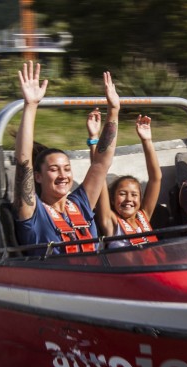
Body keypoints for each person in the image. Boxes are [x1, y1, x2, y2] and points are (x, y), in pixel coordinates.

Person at [12, 61, 120, 254]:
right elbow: (24, 162)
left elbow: (101, 163)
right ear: (38, 176)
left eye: (67, 169)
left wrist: (113, 111)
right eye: (54, 170)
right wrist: (30, 105)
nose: (63, 175)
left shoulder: (81, 203)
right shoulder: (33, 213)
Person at [93, 114, 162, 248]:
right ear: (112, 199)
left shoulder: (144, 216)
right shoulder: (111, 222)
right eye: (122, 194)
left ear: (141, 199)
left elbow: (156, 178)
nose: (128, 199)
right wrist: (94, 140)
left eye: (134, 195)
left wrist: (146, 140)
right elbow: (98, 176)